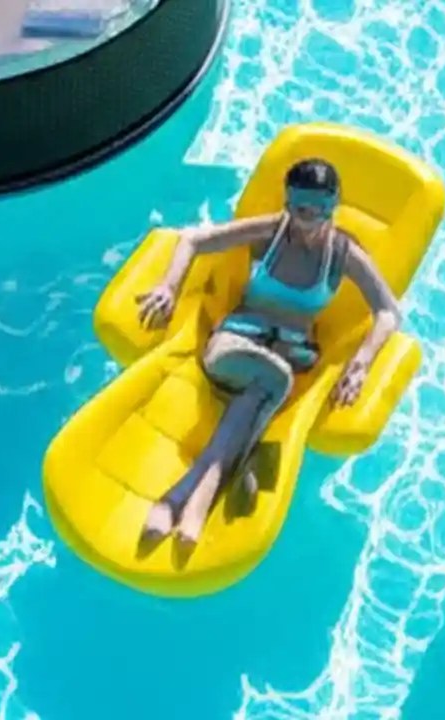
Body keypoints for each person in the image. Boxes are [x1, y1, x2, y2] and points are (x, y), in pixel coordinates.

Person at [134, 158, 401, 547]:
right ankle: (203, 495)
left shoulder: (342, 254)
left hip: (285, 363)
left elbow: (389, 312)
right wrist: (168, 287)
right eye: (297, 209)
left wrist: (361, 363)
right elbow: (192, 239)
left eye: (316, 212)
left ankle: (179, 497)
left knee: (266, 385)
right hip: (233, 348)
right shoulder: (270, 233)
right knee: (274, 377)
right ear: (288, 202)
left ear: (332, 206)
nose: (305, 221)